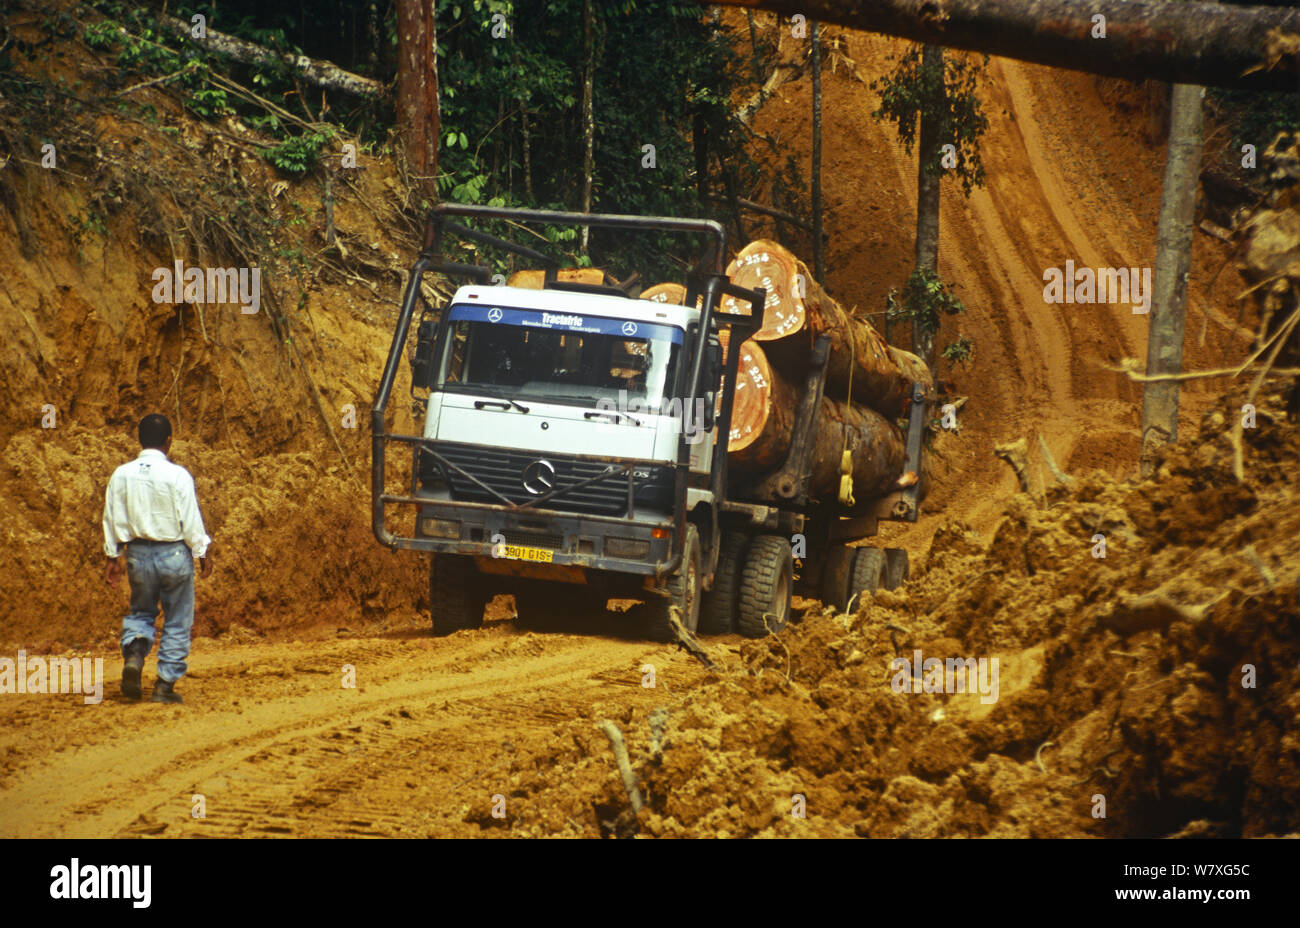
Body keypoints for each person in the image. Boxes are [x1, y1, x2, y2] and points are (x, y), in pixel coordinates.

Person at [102, 414, 212, 704]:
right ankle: (164, 686)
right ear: (168, 441)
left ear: (139, 440)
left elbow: (112, 518)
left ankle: (135, 658)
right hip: (174, 553)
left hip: (137, 553)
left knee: (141, 611)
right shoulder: (178, 475)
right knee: (177, 619)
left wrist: (113, 556)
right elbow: (190, 521)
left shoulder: (120, 474)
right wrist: (201, 551)